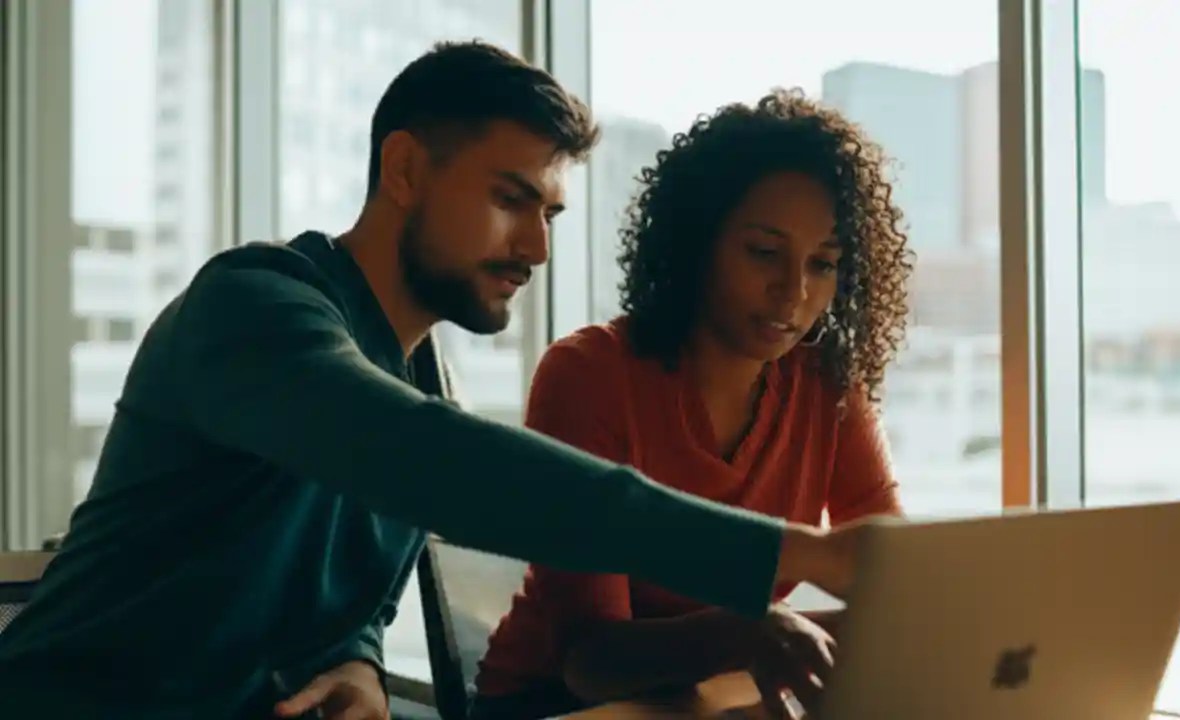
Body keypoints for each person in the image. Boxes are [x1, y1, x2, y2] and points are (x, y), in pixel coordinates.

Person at [0, 44, 865, 719]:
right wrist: (799, 552)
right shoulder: (254, 306)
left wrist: (362, 669)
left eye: (550, 214)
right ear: (405, 169)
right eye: (510, 199)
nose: (536, 248)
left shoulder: (420, 375)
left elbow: (351, 601)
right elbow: (431, 461)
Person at [473, 90, 914, 719]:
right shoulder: (590, 375)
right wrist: (751, 629)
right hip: (553, 705)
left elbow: (895, 581)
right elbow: (591, 661)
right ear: (697, 243)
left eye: (823, 263)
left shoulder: (826, 383)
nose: (794, 292)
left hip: (712, 698)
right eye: (764, 253)